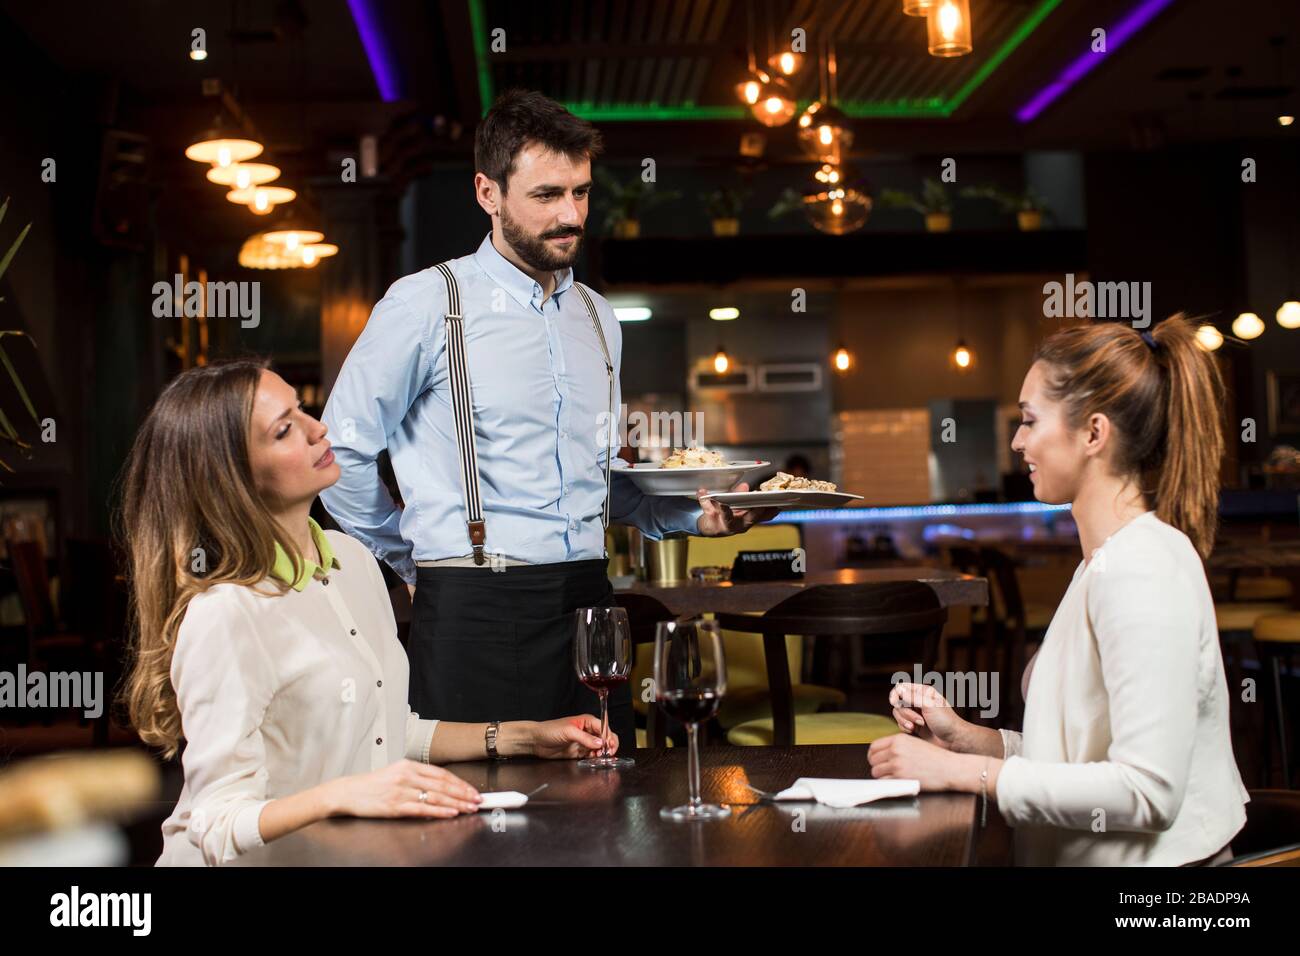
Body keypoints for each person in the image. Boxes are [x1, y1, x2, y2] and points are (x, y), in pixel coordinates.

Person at [320, 89, 775, 747]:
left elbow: (600, 485)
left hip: (591, 603)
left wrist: (691, 517)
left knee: (607, 815)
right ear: (488, 193)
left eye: (582, 193)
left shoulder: (598, 316)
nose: (571, 216)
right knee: (476, 832)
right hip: (474, 609)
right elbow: (340, 452)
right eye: (547, 196)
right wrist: (410, 559)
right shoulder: (426, 304)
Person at [120, 361, 618, 866]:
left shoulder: (350, 559)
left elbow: (386, 732)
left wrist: (526, 737)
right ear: (232, 476)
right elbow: (215, 822)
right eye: (285, 430)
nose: (318, 429)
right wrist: (343, 794)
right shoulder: (226, 613)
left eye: (302, 410)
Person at [870, 315, 1249, 866]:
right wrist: (970, 740)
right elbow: (1083, 758)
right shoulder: (1102, 562)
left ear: (1094, 433)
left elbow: (1147, 792)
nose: (1018, 441)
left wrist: (960, 772)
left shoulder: (1141, 569)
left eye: (1029, 421)